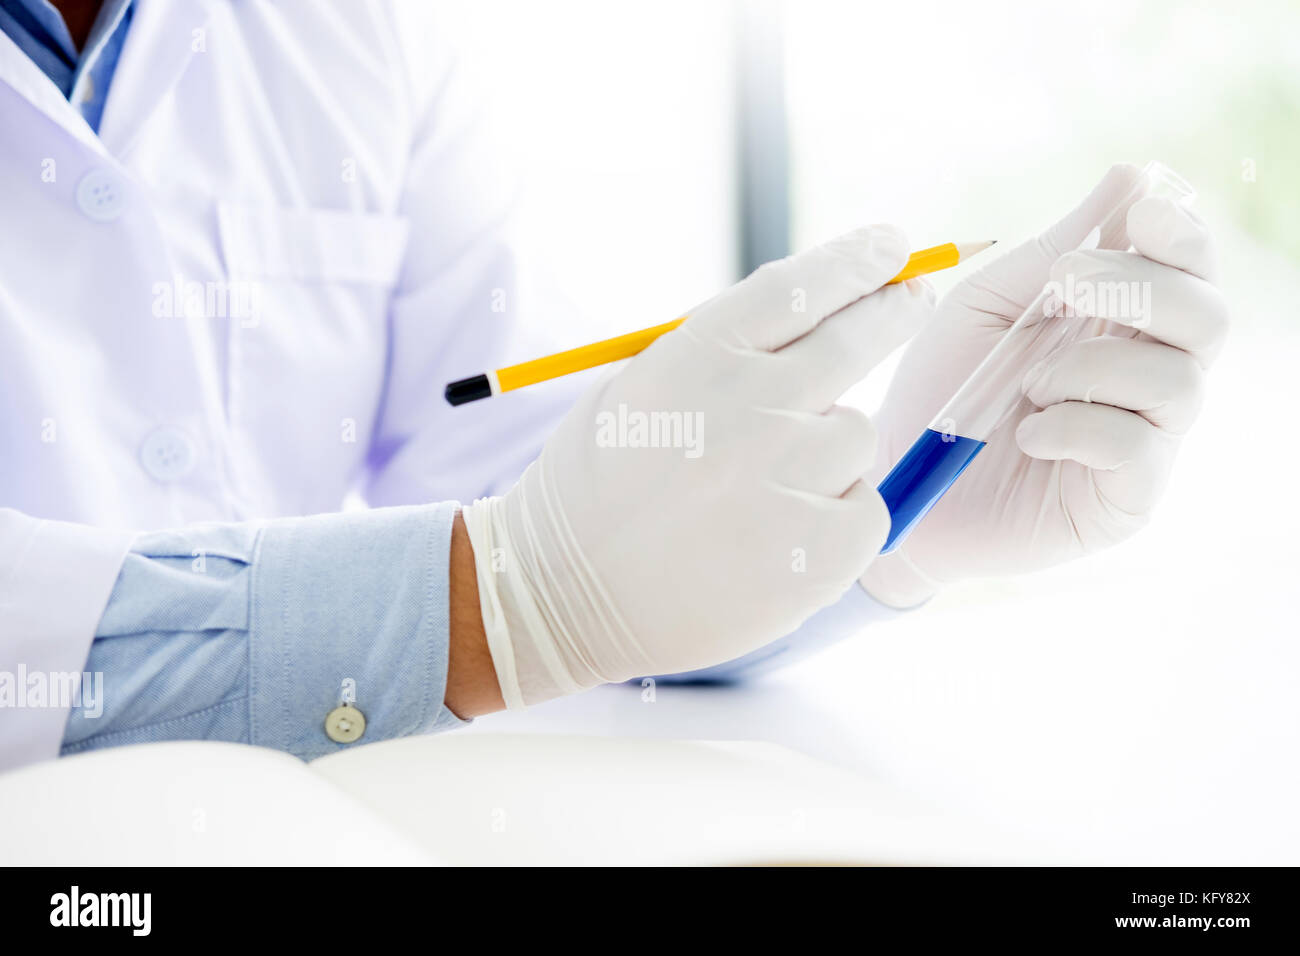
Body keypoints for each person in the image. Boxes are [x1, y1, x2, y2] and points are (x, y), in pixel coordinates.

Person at [0, 0, 1228, 769]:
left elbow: (543, 487)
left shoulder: (355, 27)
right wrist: (504, 601)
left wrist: (892, 510)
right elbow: (526, 572)